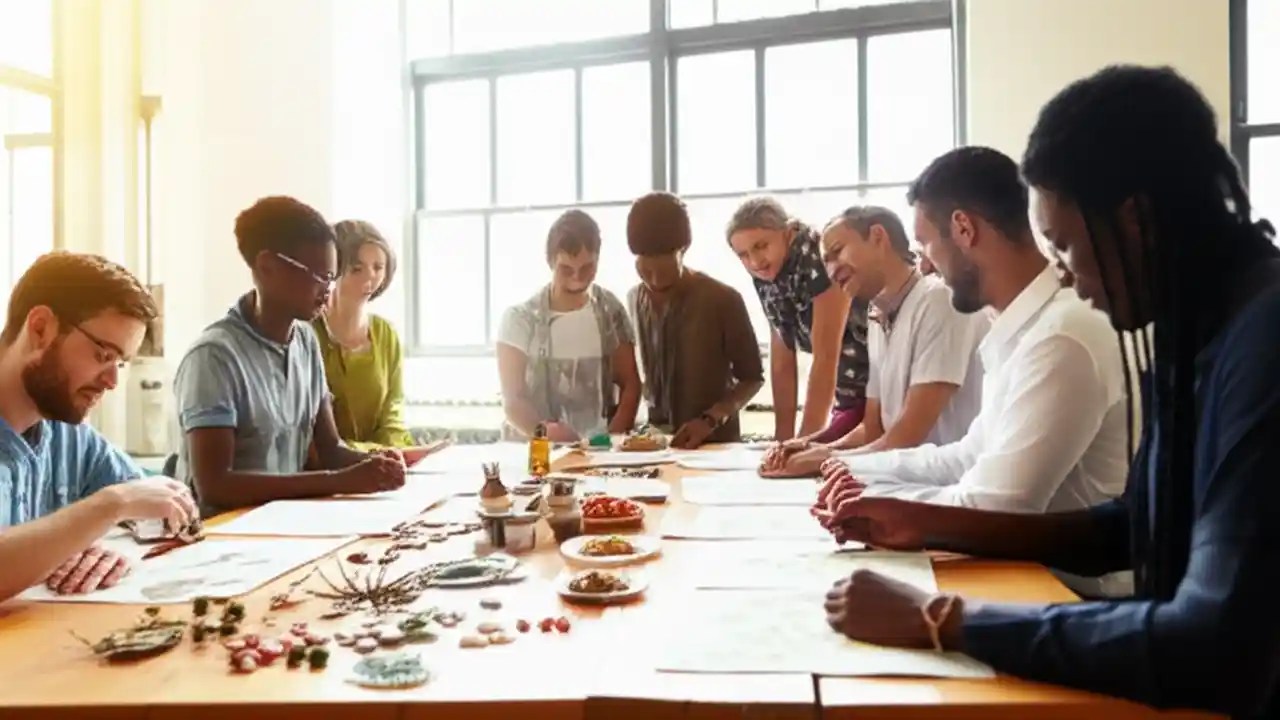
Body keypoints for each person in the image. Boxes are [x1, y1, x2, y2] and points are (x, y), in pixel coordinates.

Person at [819, 66, 1280, 717]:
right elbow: (1131, 526)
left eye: (1063, 245)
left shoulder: (1261, 341)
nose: (1065, 274)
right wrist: (917, 517)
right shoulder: (1199, 324)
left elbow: (1215, 641)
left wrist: (943, 618)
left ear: (1135, 221)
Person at [817, 147, 1131, 598]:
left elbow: (999, 506)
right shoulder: (1021, 327)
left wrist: (887, 507)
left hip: (1076, 595)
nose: (924, 262)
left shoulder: (1062, 336)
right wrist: (853, 471)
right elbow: (968, 457)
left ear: (963, 229)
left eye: (926, 243)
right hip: (1025, 578)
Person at [174, 196, 406, 516]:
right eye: (320, 276)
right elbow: (215, 485)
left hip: (285, 527)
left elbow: (331, 451)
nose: (328, 289)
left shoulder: (306, 343)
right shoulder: (214, 357)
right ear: (267, 267)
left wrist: (376, 464)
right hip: (223, 536)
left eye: (332, 277)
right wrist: (337, 481)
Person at [0, 252, 197, 601]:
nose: (111, 382)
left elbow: (169, 507)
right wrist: (109, 508)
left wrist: (93, 543)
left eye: (120, 363)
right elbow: (122, 500)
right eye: (104, 355)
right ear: (40, 329)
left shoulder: (69, 434)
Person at [761, 206, 987, 477]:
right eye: (826, 262)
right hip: (903, 478)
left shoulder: (938, 300)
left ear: (878, 237)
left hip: (949, 484)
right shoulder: (876, 315)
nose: (831, 271)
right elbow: (874, 427)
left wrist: (824, 459)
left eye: (838, 251)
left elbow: (907, 436)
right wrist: (810, 445)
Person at [626, 192, 764, 449]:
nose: (655, 279)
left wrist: (710, 420)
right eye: (645, 266)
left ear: (684, 249)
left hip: (715, 448)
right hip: (656, 448)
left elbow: (752, 377)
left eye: (664, 266)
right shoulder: (634, 299)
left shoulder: (723, 299)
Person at [728, 197, 870, 444]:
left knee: (818, 458)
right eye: (743, 254)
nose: (755, 261)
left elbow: (826, 357)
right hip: (847, 397)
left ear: (789, 232)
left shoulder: (819, 257)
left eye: (761, 246)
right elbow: (782, 357)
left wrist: (806, 441)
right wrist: (782, 440)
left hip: (878, 394)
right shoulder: (767, 271)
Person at [496, 210, 641, 442]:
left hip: (598, 457)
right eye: (566, 269)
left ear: (598, 259)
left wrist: (612, 443)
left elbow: (631, 384)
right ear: (551, 261)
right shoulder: (519, 320)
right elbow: (513, 400)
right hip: (537, 457)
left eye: (587, 268)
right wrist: (543, 432)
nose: (578, 279)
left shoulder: (610, 310)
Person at [313, 220, 441, 465]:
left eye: (378, 267)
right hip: (324, 469)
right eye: (357, 268)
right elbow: (312, 436)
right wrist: (371, 453)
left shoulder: (385, 334)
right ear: (333, 269)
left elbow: (392, 411)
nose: (370, 278)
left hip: (381, 465)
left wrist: (391, 451)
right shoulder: (307, 335)